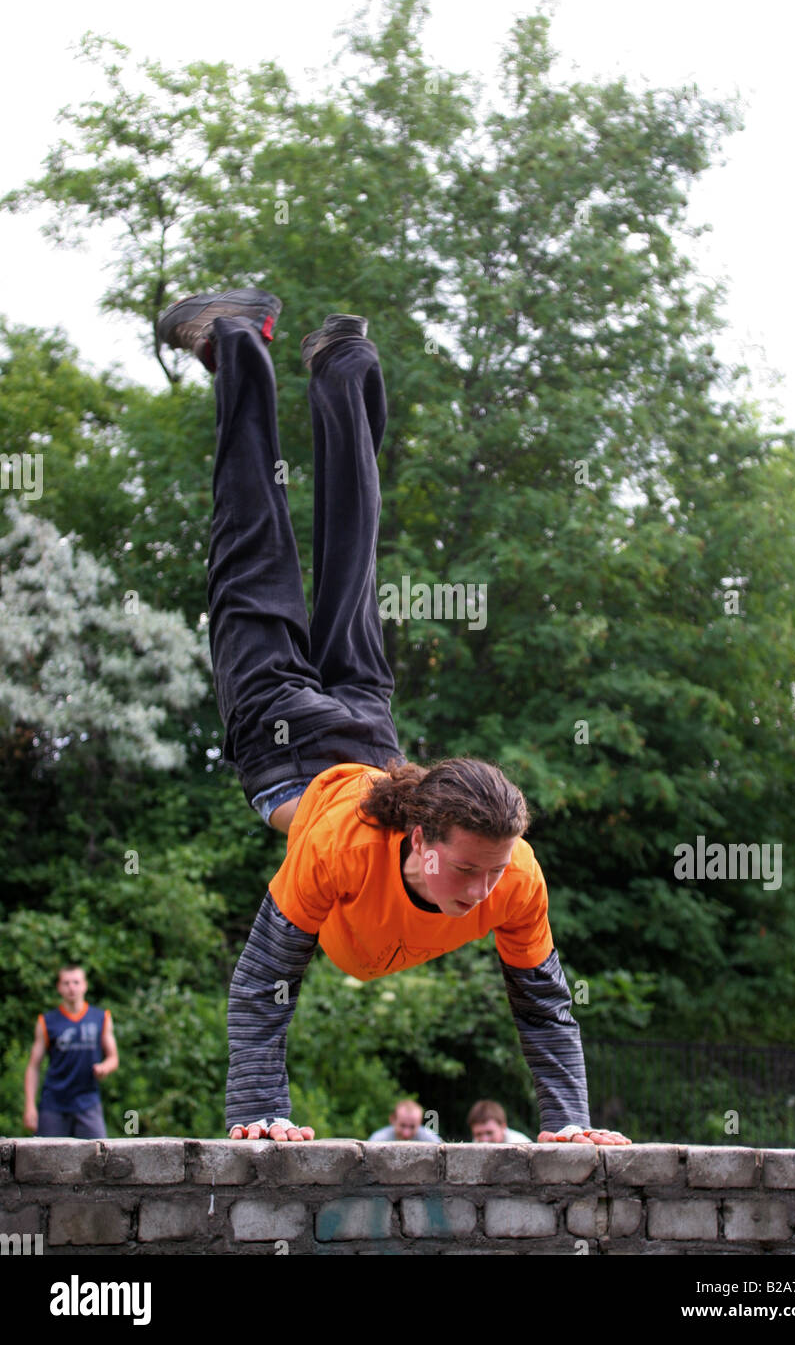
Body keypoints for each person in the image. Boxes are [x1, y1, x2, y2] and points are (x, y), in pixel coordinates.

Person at [157, 288, 631, 1150]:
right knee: (252, 544)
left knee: (351, 561)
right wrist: (258, 1113)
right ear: (419, 839)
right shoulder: (341, 849)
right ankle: (236, 340)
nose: (485, 892)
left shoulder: (515, 872)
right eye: (470, 871)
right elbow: (266, 975)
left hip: (368, 737)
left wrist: (567, 1126)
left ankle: (346, 365)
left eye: (491, 873)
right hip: (288, 746)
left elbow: (543, 1002)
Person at [23, 964, 118, 1137]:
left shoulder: (101, 1018)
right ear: (59, 987)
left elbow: (113, 1058)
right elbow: (33, 1066)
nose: (71, 987)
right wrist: (30, 1106)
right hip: (54, 1104)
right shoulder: (47, 1021)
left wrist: (105, 1067)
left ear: (85, 985)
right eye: (66, 983)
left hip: (88, 1102)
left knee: (100, 1158)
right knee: (47, 1160)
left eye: (76, 982)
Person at [368, 1099, 442, 1143]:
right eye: (403, 1125)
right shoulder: (378, 1140)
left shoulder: (430, 1140)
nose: (406, 1134)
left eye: (412, 1127)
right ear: (392, 1120)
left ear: (420, 1123)